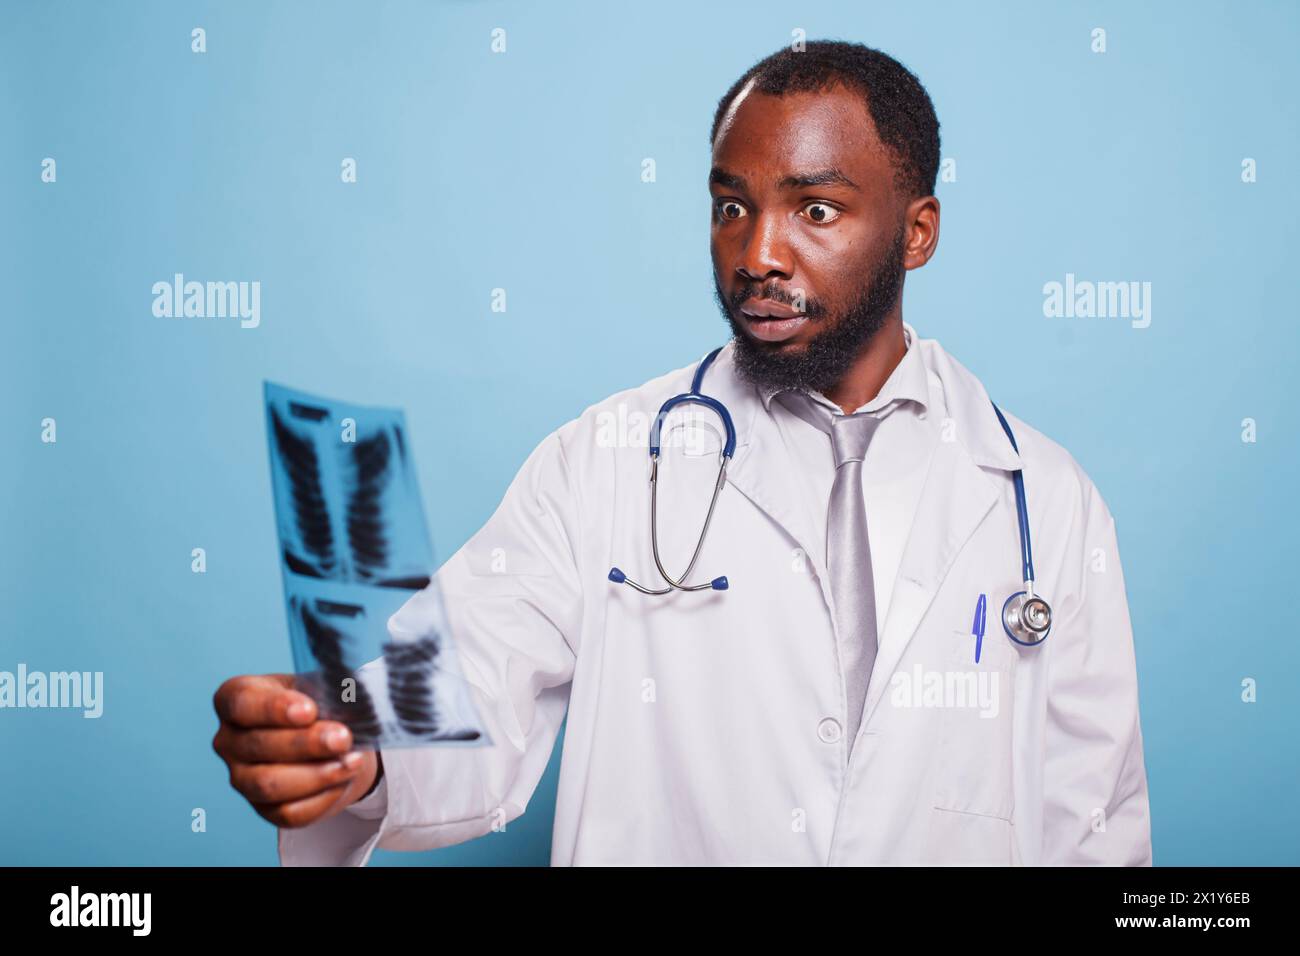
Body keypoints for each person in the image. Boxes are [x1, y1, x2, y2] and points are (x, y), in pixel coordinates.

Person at [212, 40, 1151, 866]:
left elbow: (1095, 828)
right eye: (731, 207)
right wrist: (349, 748)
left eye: (815, 210)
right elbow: (464, 686)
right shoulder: (607, 459)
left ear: (917, 233)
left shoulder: (1047, 503)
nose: (758, 254)